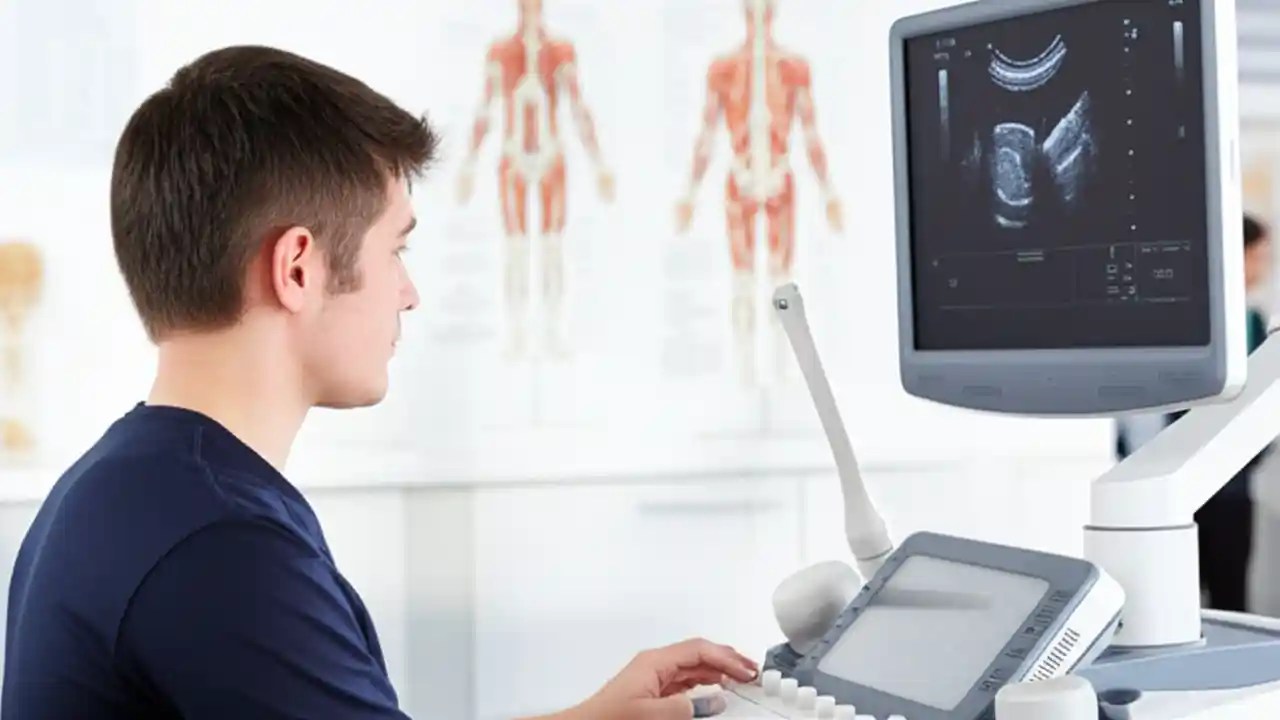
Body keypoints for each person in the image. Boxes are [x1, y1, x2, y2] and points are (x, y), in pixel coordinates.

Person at [1, 46, 757, 719]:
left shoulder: (129, 491)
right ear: (298, 268)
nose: (408, 293)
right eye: (396, 250)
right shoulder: (221, 547)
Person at [1114, 213, 1273, 612]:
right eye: (1258, 256)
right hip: (1181, 480)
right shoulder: (1187, 319)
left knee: (1222, 594)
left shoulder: (1251, 320)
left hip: (1225, 484)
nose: (1263, 267)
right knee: (1179, 598)